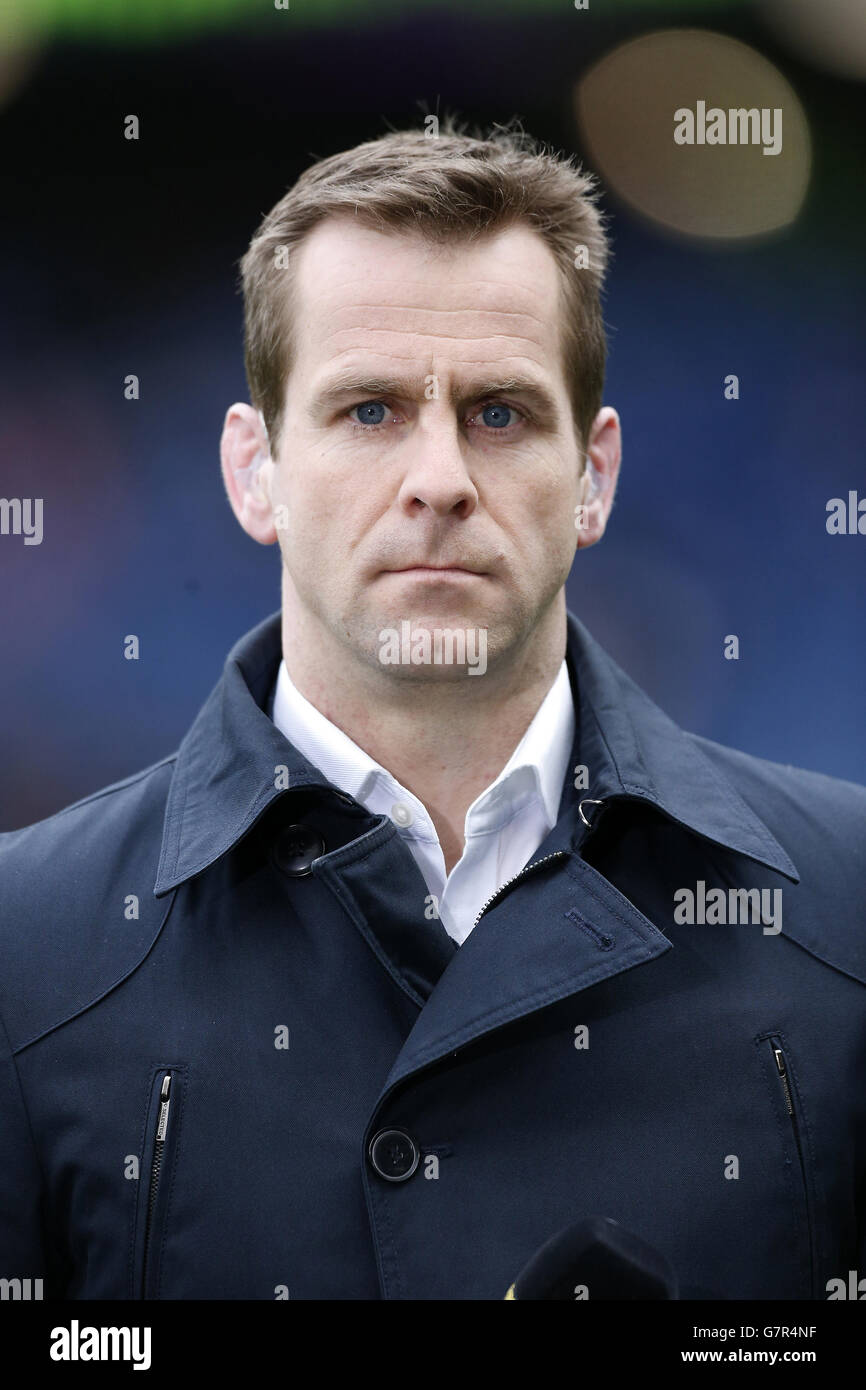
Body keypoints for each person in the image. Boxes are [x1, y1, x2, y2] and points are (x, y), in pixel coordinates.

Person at [1, 119, 863, 1302]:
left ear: (595, 477)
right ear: (252, 472)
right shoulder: (26, 944)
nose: (441, 479)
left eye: (499, 414)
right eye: (368, 413)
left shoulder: (845, 908)